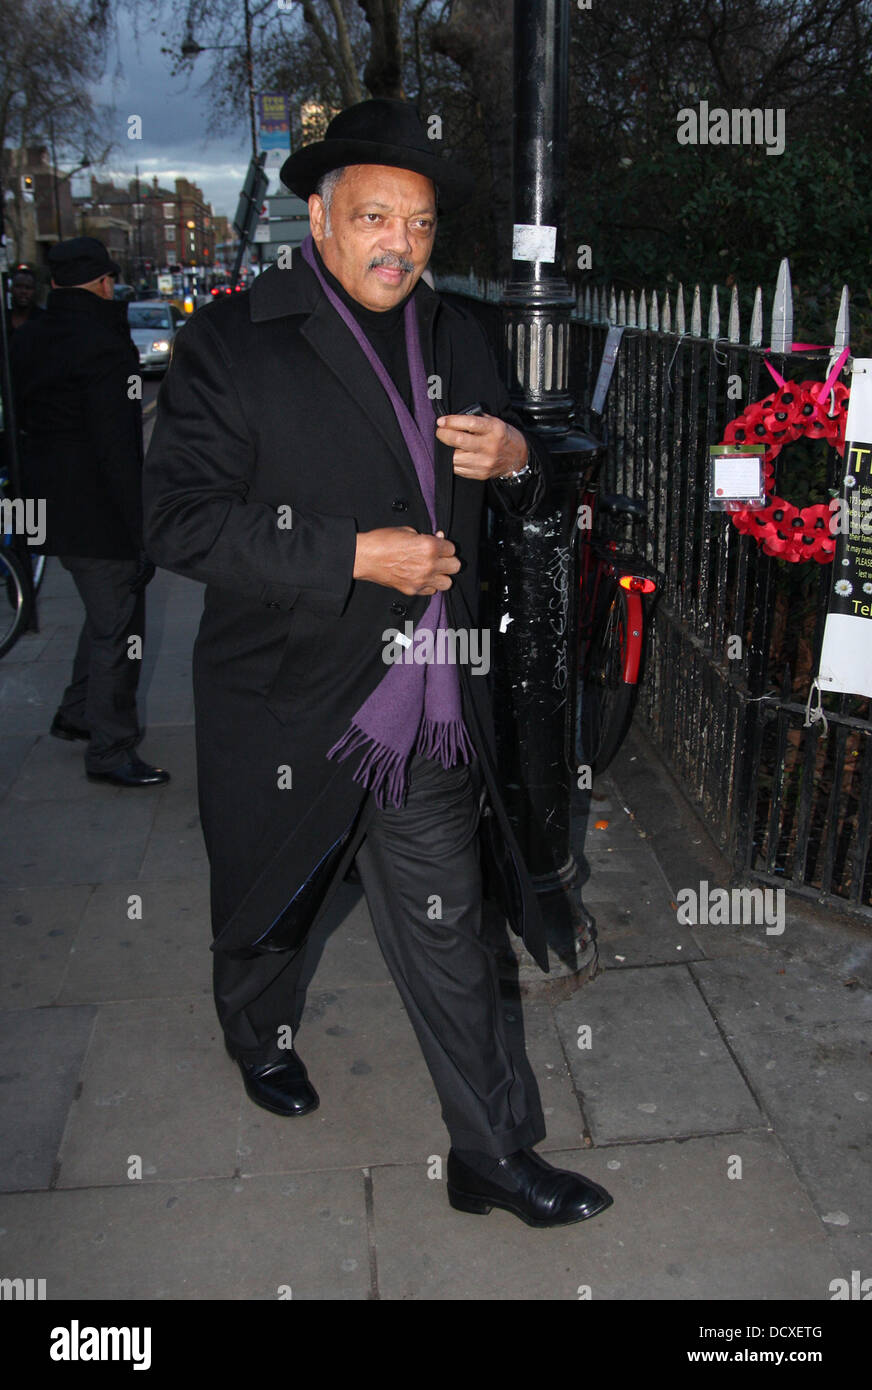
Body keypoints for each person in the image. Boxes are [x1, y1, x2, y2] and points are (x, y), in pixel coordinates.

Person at [143, 99, 611, 1228]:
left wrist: (515, 457)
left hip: (424, 702)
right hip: (285, 699)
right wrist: (349, 555)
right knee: (268, 912)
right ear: (318, 215)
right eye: (372, 217)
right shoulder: (233, 339)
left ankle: (490, 1154)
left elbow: (535, 469)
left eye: (418, 221)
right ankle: (256, 1034)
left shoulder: (455, 333)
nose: (396, 242)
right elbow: (179, 521)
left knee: (448, 928)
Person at [11, 236, 169, 787]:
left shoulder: (29, 337)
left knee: (103, 620)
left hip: (48, 506)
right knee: (120, 632)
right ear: (104, 282)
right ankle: (110, 749)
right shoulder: (105, 343)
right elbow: (117, 450)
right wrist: (141, 533)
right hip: (100, 514)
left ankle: (78, 712)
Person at [6, 267, 45, 334]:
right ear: (11, 289)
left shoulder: (43, 319)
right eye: (18, 286)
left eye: (28, 288)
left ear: (35, 291)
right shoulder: (4, 318)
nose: (23, 291)